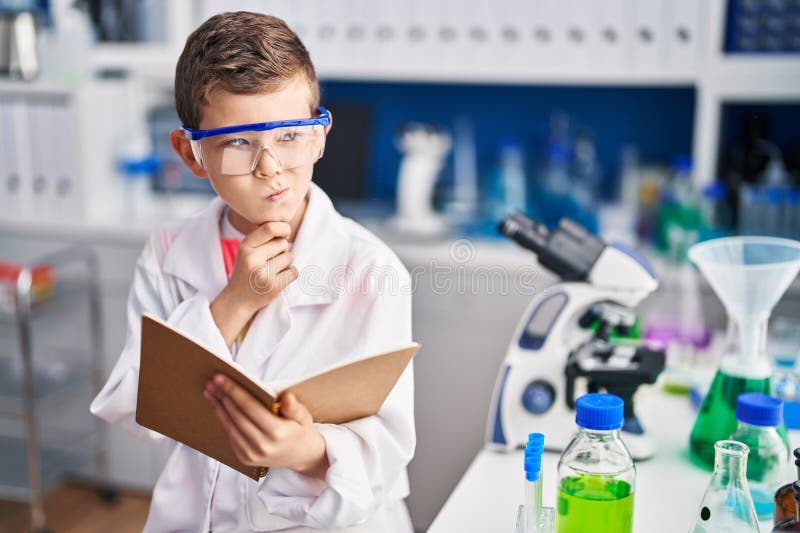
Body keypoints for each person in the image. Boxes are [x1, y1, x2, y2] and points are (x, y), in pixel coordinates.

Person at [90, 11, 415, 532]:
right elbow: (135, 406)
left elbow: (389, 448)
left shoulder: (370, 268)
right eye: (239, 142)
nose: (271, 168)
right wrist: (234, 302)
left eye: (290, 135)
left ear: (320, 136)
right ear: (191, 153)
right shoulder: (169, 251)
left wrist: (304, 449)